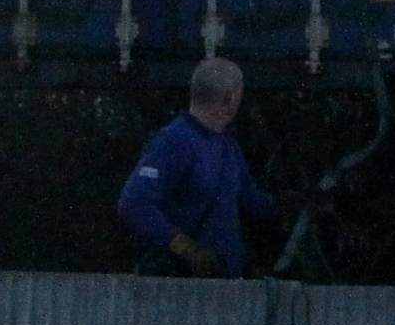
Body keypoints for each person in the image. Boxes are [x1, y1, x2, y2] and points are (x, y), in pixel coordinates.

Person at [118, 58, 279, 276]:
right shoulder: (173, 141)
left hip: (226, 288)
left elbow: (251, 200)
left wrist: (295, 204)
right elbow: (134, 204)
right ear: (230, 98)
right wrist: (188, 250)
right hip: (176, 288)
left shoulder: (227, 146)